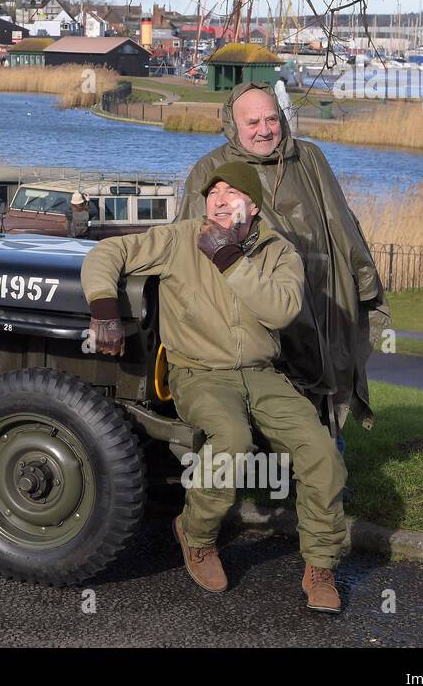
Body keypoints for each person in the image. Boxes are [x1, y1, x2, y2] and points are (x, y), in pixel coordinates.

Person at [83, 162, 347, 613]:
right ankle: (197, 534)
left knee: (322, 454)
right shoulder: (180, 238)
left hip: (262, 373)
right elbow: (108, 254)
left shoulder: (278, 251)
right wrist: (104, 309)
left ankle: (320, 567)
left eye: (231, 193)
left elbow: (281, 310)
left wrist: (228, 260)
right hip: (199, 372)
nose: (220, 200)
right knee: (232, 440)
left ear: (254, 206)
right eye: (214, 193)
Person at [178, 81, 389, 436]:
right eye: (253, 123)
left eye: (271, 119)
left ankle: (327, 467)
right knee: (269, 384)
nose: (265, 130)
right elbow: (189, 238)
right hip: (253, 303)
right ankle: (272, 469)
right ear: (233, 124)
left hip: (322, 295)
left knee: (326, 381)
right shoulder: (210, 169)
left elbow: (342, 222)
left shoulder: (309, 158)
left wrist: (364, 282)